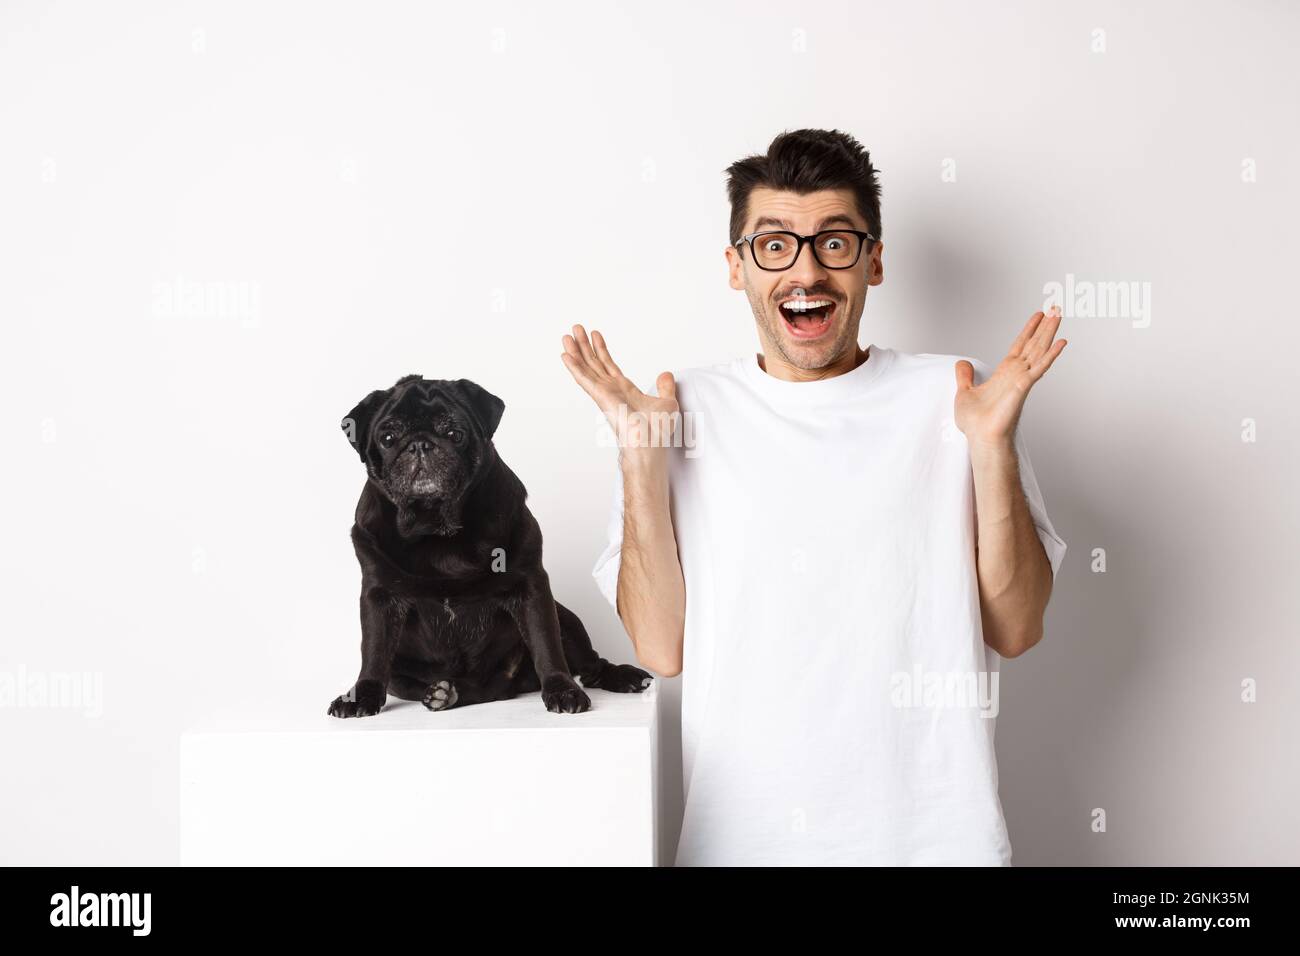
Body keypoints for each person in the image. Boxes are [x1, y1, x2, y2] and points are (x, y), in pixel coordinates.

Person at [559, 128, 1067, 866]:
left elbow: (1016, 629)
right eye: (774, 245)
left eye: (834, 242)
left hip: (936, 844)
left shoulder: (958, 396)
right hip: (739, 847)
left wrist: (989, 450)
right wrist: (641, 461)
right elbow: (659, 649)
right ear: (736, 267)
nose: (805, 270)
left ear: (875, 260)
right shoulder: (677, 412)